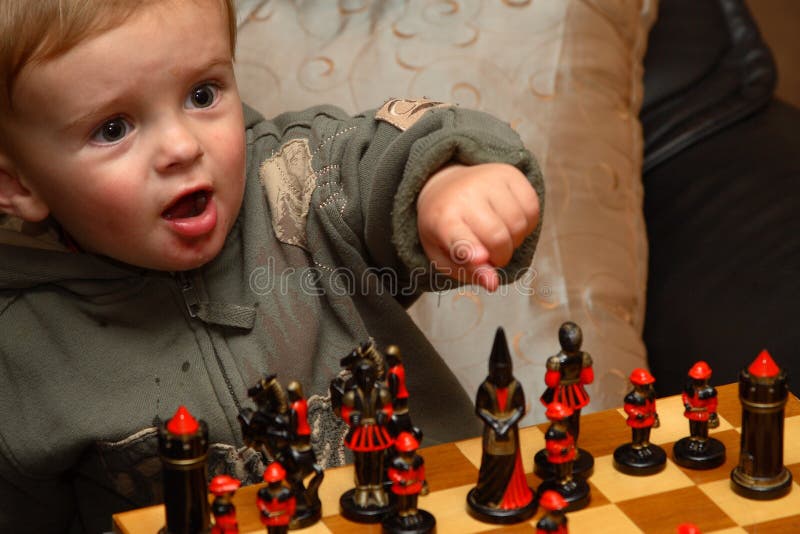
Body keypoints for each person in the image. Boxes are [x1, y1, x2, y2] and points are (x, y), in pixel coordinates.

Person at [0, 0, 544, 531]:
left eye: (202, 94)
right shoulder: (17, 344)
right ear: (18, 183)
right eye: (113, 129)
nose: (182, 147)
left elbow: (382, 154)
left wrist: (446, 180)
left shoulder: (299, 180)